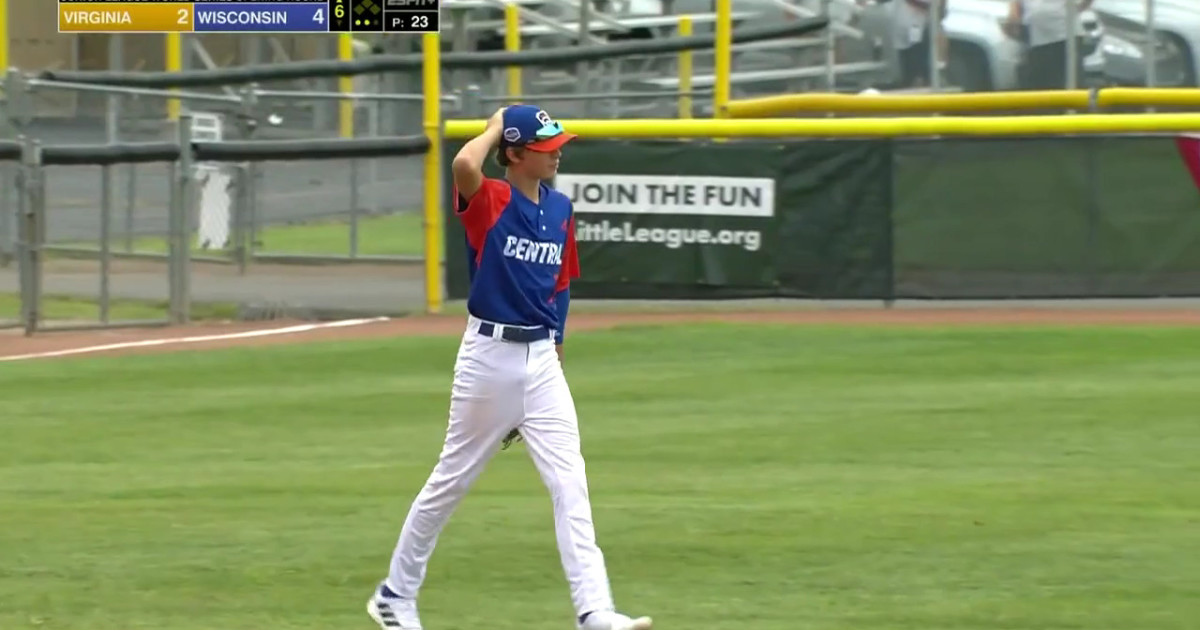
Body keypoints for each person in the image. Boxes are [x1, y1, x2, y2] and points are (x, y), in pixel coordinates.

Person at [365, 104, 653, 630]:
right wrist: (495, 125)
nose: (557, 153)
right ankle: (394, 594)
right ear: (515, 155)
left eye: (557, 144)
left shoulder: (561, 209)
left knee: (571, 482)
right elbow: (462, 167)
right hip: (488, 357)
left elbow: (561, 283)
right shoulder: (491, 201)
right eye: (545, 148)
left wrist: (558, 346)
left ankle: (595, 611)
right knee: (451, 480)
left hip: (541, 359)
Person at [1005, 0, 1092, 90]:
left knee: (1069, 84)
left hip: (1065, 38)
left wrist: (1074, 10)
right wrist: (1013, 18)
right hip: (1037, 39)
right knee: (1041, 85)